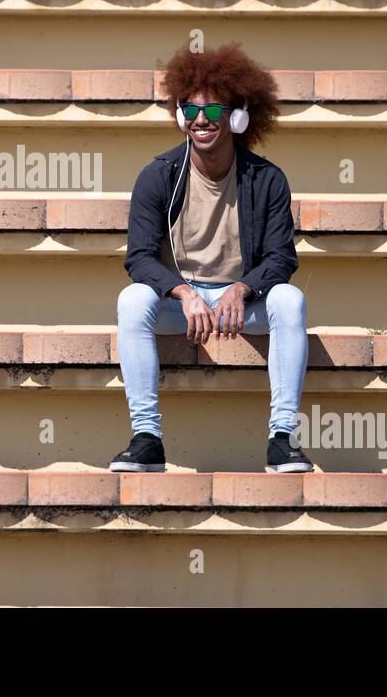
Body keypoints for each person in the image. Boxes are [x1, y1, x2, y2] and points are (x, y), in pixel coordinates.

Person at [109, 42, 313, 474]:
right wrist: (182, 292)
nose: (202, 120)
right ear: (181, 115)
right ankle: (147, 438)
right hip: (183, 306)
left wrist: (244, 288)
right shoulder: (158, 176)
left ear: (238, 116)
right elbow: (139, 258)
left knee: (289, 301)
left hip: (239, 306)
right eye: (192, 110)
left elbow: (282, 258)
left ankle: (282, 440)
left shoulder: (267, 179)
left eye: (215, 111)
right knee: (132, 301)